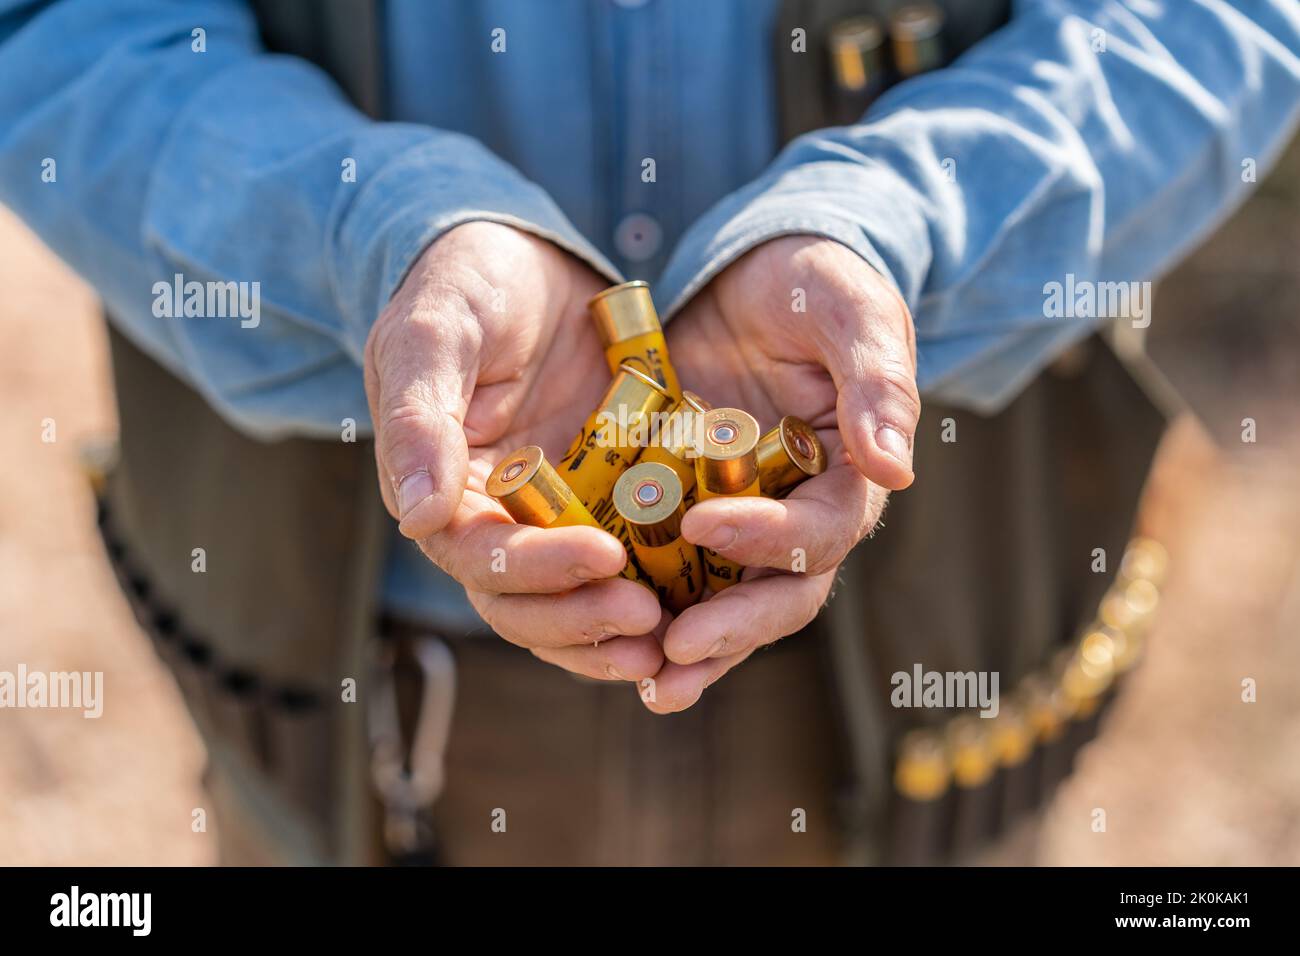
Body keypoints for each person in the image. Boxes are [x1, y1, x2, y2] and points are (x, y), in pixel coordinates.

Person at [1, 0, 1296, 865]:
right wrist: (377, 231)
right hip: (370, 703)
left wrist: (899, 218)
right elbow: (58, 32)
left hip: (924, 685)